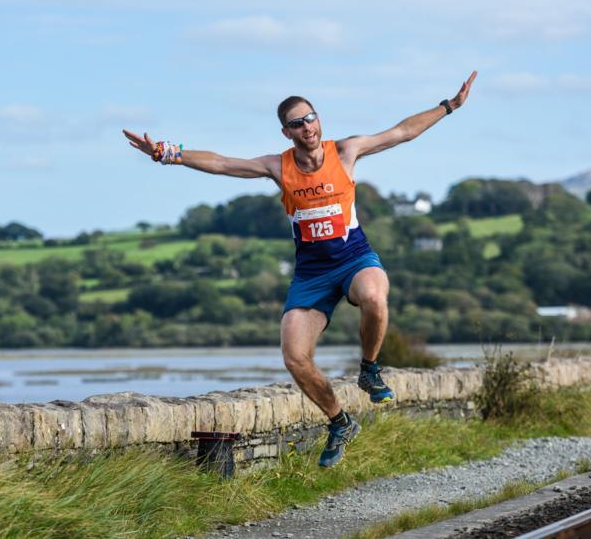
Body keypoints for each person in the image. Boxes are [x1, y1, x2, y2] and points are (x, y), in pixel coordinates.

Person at [123, 71, 477, 467]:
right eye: (297, 123)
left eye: (311, 118)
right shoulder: (278, 167)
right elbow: (222, 163)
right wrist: (166, 152)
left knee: (375, 295)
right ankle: (340, 422)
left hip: (354, 258)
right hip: (311, 274)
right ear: (285, 132)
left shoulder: (345, 151)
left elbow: (401, 132)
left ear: (319, 120)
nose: (307, 126)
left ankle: (369, 370)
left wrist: (448, 107)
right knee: (294, 357)